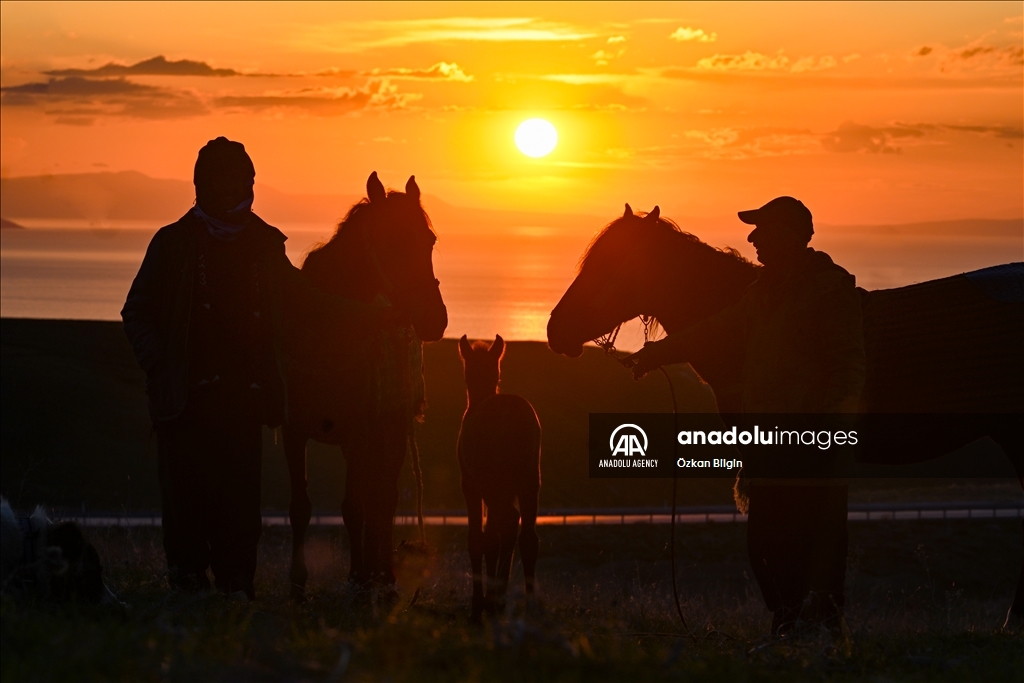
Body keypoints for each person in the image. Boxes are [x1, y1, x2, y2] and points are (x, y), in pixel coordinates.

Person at [122, 137, 385, 600]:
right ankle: (188, 594)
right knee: (185, 508)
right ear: (203, 185)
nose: (234, 191)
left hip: (244, 405)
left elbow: (305, 301)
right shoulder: (173, 243)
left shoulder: (263, 246)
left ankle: (236, 595)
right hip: (185, 407)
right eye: (223, 181)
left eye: (241, 180)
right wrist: (161, 366)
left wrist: (367, 315)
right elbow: (137, 311)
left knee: (240, 511)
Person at [625, 196, 865, 635]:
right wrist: (657, 353)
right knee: (765, 546)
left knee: (815, 546)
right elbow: (716, 329)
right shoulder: (761, 293)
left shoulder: (829, 291)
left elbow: (847, 368)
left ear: (790, 236)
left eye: (762, 230)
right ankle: (790, 626)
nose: (752, 238)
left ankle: (819, 632)